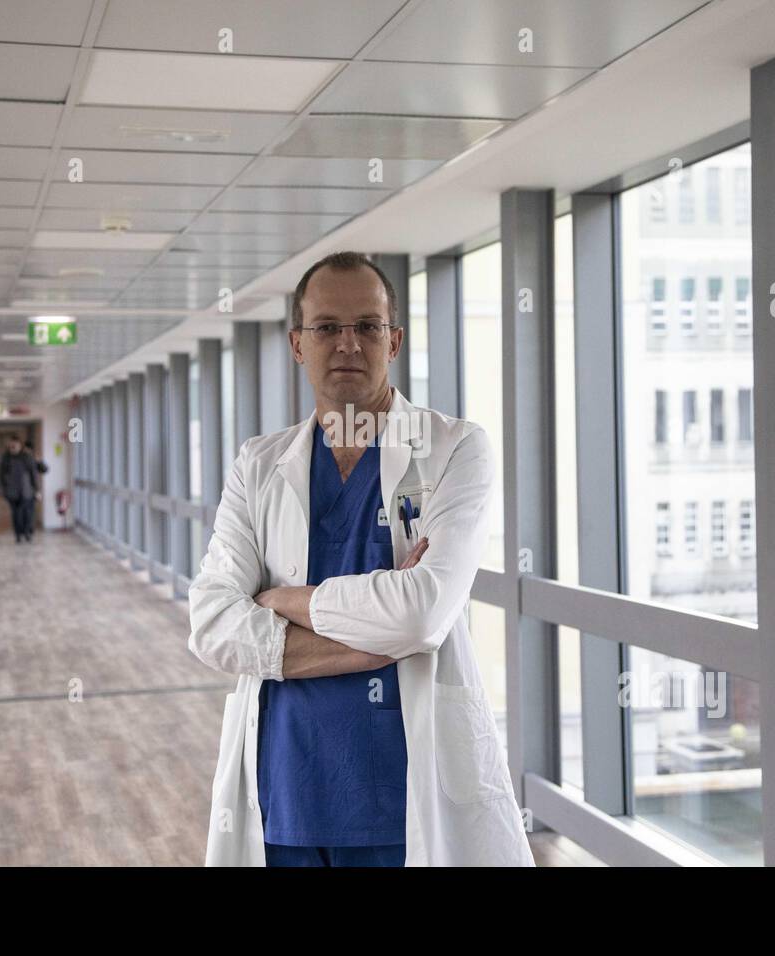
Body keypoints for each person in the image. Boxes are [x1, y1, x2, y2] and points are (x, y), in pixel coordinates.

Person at [188, 251, 534, 868]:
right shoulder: (259, 465)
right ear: (298, 344)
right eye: (326, 327)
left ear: (394, 340)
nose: (347, 343)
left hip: (403, 795)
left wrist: (283, 601)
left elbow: (422, 615)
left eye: (367, 327)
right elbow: (212, 625)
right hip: (286, 791)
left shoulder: (455, 449)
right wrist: (376, 640)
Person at [0, 435, 40, 543]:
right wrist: (2, 489)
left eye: (15, 446)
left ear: (20, 446)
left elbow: (33, 474)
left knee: (27, 513)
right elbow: (0, 475)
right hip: (12, 492)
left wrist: (37, 489)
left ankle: (27, 532)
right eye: (11, 446)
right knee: (16, 514)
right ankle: (18, 534)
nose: (13, 448)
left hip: (26, 491)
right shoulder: (5, 458)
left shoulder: (27, 457)